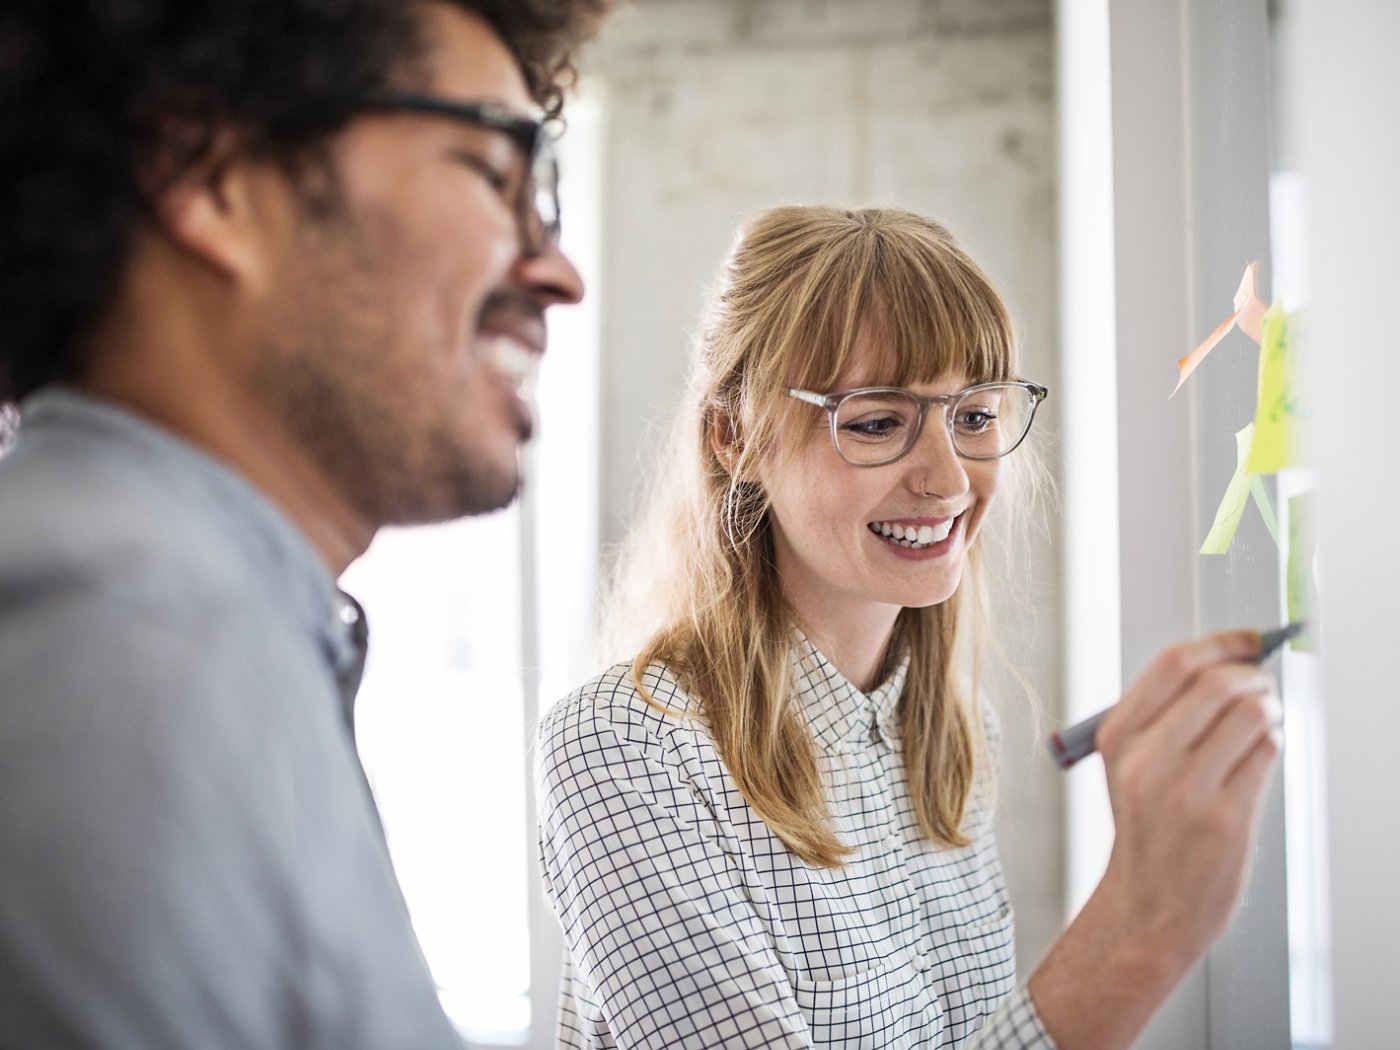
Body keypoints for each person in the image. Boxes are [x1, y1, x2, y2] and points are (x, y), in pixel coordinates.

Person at [0, 0, 610, 1045]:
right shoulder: (133, 636)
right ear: (210, 176)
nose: (557, 271)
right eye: (493, 172)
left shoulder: (199, 618)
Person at [535, 205, 1282, 1048]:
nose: (948, 479)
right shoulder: (625, 749)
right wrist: (1141, 925)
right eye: (878, 422)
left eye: (973, 416)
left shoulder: (959, 737)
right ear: (735, 436)